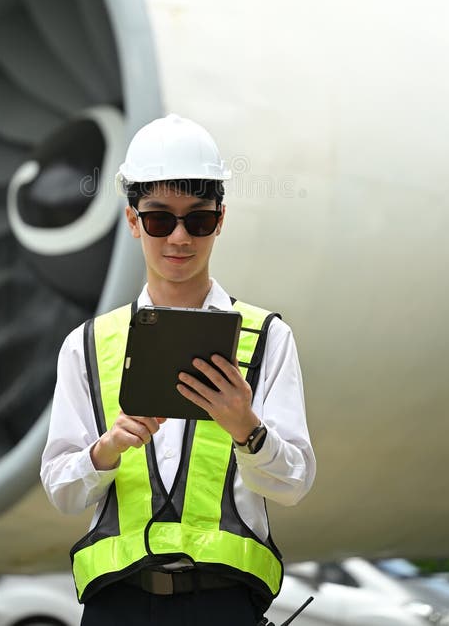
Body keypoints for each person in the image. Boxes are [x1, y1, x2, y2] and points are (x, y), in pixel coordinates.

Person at [41, 113, 315, 626]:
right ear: (132, 220)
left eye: (200, 219)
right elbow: (61, 490)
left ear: (221, 218)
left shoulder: (266, 337)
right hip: (116, 605)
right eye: (160, 219)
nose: (180, 238)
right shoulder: (87, 345)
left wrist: (247, 430)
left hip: (225, 605)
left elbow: (293, 483)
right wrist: (105, 450)